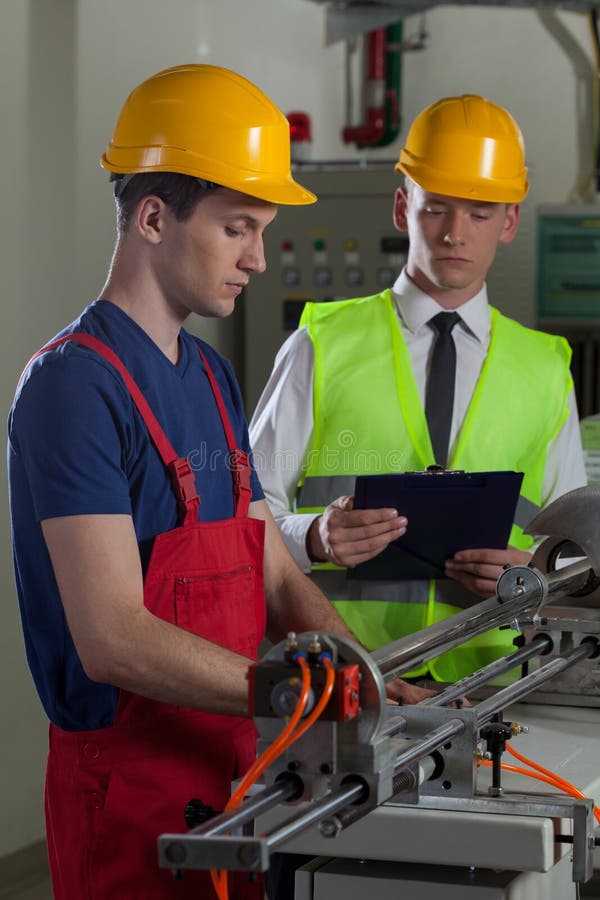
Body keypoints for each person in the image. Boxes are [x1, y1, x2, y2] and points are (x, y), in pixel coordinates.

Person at [7, 64, 433, 900]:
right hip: (128, 801)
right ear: (154, 217)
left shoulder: (210, 375)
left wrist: (360, 674)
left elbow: (267, 562)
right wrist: (298, 693)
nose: (260, 260)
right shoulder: (73, 386)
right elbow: (112, 638)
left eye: (264, 231)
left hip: (238, 769)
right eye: (238, 228)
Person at [249, 93, 587, 685]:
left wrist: (530, 569)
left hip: (498, 683)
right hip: (346, 677)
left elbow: (578, 557)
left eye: (480, 213)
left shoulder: (544, 369)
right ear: (404, 209)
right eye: (438, 209)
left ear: (509, 223)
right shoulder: (321, 346)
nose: (456, 233)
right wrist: (316, 535)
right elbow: (240, 523)